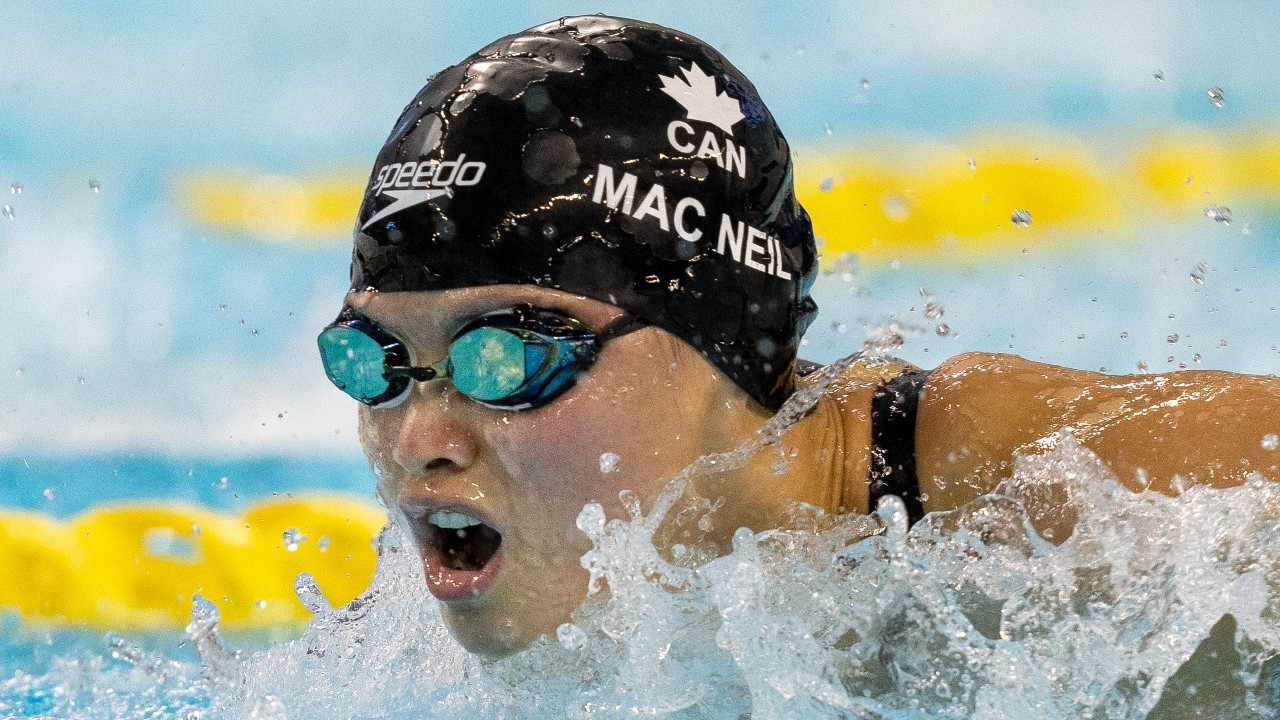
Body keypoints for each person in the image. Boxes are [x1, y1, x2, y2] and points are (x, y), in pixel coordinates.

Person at [316, 15, 1280, 658]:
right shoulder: (445, 623)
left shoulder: (1042, 493)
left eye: (507, 356)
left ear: (714, 340)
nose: (419, 439)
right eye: (378, 364)